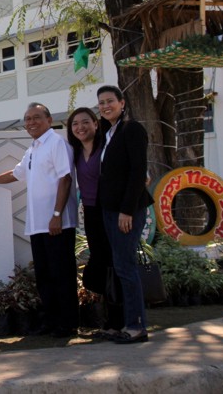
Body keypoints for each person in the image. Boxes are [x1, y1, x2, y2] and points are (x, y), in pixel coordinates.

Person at [0, 103, 79, 337]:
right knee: (44, 275)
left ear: (49, 120)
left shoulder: (57, 143)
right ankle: (51, 321)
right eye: (27, 119)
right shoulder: (33, 149)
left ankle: (68, 323)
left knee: (62, 275)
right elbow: (16, 173)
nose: (31, 122)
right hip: (38, 225)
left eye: (36, 117)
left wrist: (57, 215)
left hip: (57, 223)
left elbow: (65, 179)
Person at [97, 85, 154, 344]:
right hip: (109, 209)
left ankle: (137, 326)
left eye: (110, 101)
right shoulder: (108, 132)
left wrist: (126, 211)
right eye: (101, 103)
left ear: (122, 103)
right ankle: (122, 323)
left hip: (126, 210)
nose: (105, 106)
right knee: (119, 266)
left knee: (126, 266)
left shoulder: (132, 129)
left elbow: (137, 171)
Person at [67, 107, 124, 338]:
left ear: (95, 124)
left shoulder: (106, 148)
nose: (80, 127)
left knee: (114, 265)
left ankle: (118, 322)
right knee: (99, 265)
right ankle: (109, 321)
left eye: (85, 122)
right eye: (75, 124)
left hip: (109, 211)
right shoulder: (76, 152)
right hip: (90, 213)